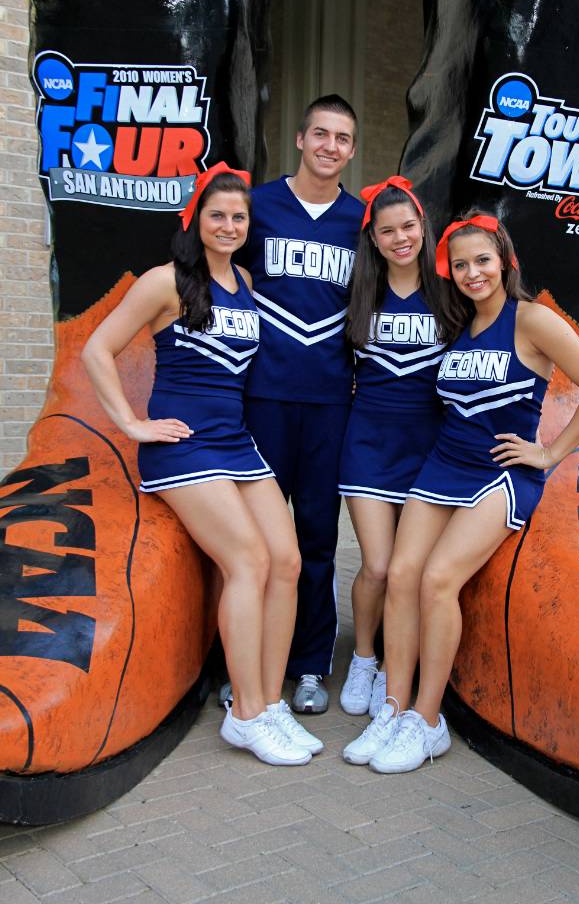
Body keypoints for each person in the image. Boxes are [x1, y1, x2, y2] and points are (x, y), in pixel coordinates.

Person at [343, 209, 579, 773]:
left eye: (483, 261)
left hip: (500, 472)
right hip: (444, 465)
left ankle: (426, 719)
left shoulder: (532, 319)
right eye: (461, 264)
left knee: (438, 579)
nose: (473, 274)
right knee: (399, 574)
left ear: (506, 262)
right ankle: (392, 709)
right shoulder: (458, 321)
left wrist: (548, 452)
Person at [82, 162, 323, 766]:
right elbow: (98, 348)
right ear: (196, 219)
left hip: (235, 442)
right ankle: (243, 714)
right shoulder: (165, 281)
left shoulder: (244, 281)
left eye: (239, 216)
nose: (229, 224)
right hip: (183, 445)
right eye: (217, 214)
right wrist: (133, 424)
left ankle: (269, 704)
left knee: (287, 562)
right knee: (248, 560)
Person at [235, 95, 364, 714]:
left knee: (317, 536)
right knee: (255, 542)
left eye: (342, 138)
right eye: (321, 133)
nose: (330, 146)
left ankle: (310, 664)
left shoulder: (361, 221)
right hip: (262, 394)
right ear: (299, 138)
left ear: (352, 150)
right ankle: (247, 662)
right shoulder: (256, 207)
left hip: (329, 402)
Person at [337, 176, 447, 718]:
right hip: (369, 443)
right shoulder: (360, 290)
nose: (400, 237)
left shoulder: (450, 292)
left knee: (414, 570)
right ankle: (363, 657)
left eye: (408, 226)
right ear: (374, 239)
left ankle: (399, 664)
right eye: (388, 230)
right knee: (378, 567)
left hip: (430, 447)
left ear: (423, 228)